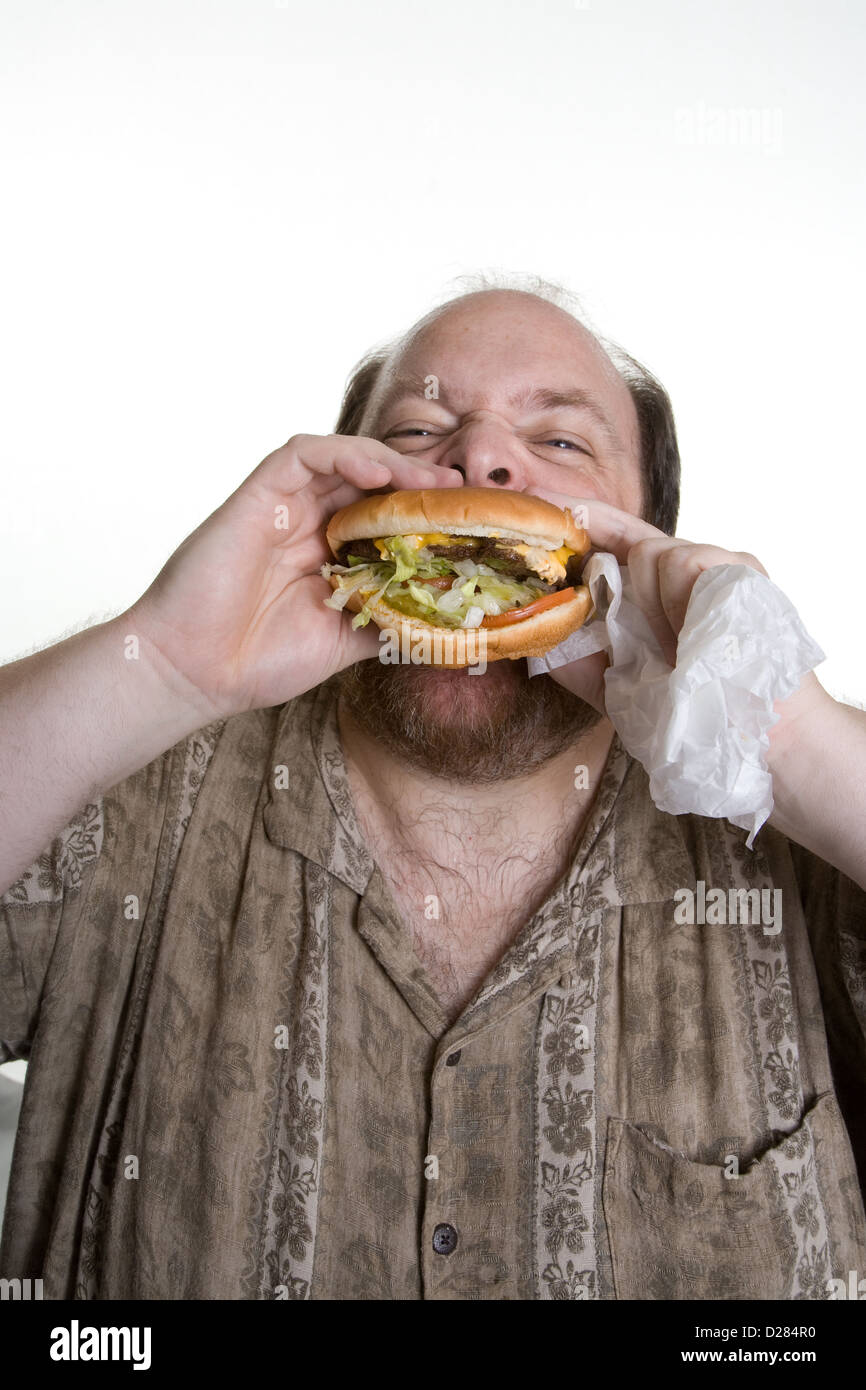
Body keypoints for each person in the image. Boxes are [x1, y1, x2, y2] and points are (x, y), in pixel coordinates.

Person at [1, 282, 864, 1301]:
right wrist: (160, 666)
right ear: (344, 511)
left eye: (559, 443)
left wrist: (783, 731)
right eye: (418, 428)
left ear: (641, 544)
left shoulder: (792, 845)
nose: (480, 457)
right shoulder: (131, 794)